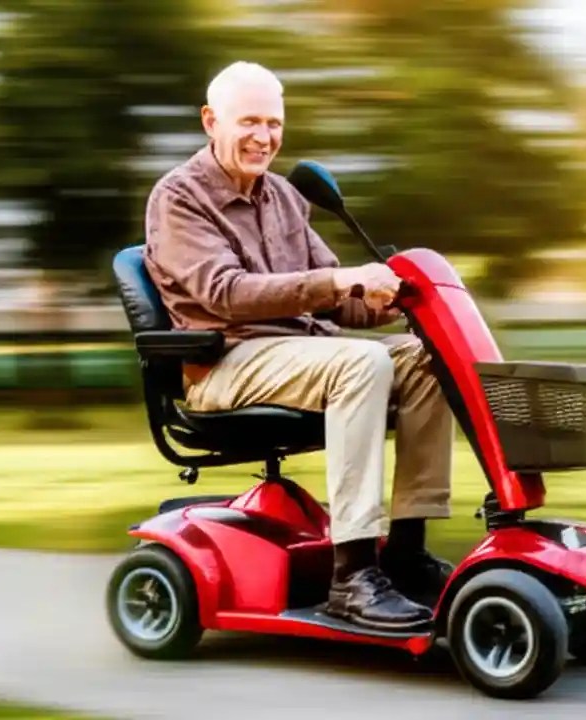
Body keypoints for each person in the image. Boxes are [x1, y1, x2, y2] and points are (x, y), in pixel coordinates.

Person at [143, 61, 453, 630]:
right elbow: (227, 293)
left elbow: (337, 296)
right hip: (224, 363)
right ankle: (353, 576)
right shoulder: (178, 198)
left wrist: (394, 298)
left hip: (304, 354)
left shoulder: (284, 196)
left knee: (430, 359)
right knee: (359, 364)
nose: (264, 137)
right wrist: (337, 282)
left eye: (274, 123)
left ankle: (406, 551)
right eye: (249, 122)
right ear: (211, 121)